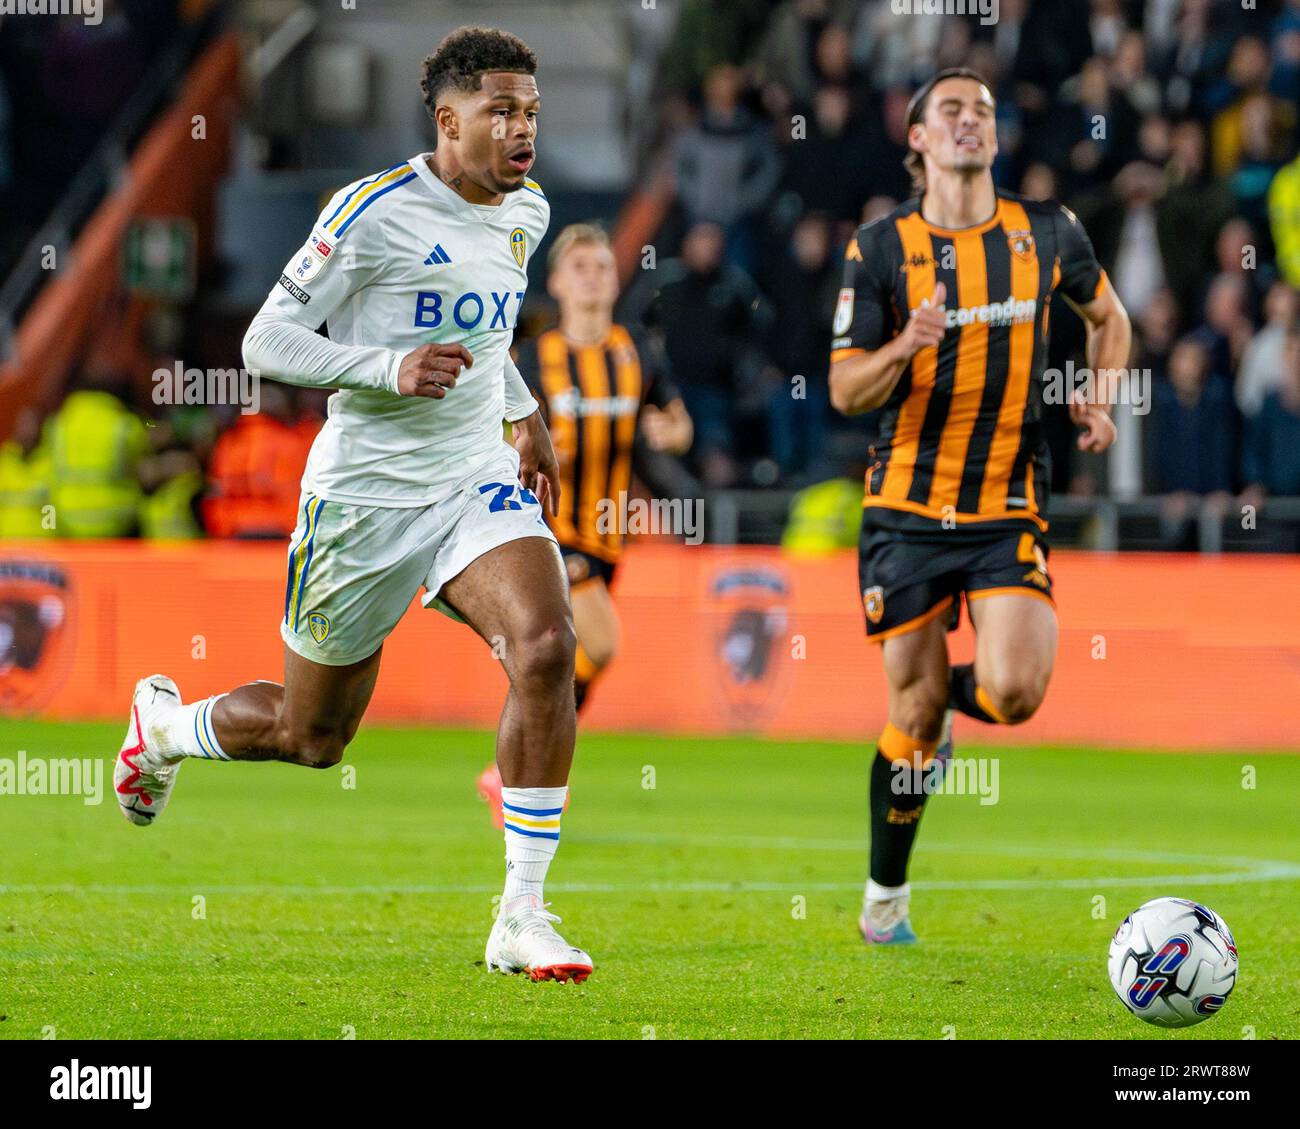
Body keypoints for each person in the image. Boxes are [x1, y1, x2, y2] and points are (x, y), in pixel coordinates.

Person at [113, 26, 594, 984]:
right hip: (364, 498)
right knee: (311, 735)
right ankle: (162, 732)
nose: (522, 129)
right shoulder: (371, 211)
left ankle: (522, 914)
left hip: (470, 481)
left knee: (544, 647)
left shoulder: (528, 211)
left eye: (532, 111)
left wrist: (524, 410)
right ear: (448, 119)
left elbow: (486, 329)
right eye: (502, 111)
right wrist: (386, 366)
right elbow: (264, 342)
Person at [828, 68, 1130, 944]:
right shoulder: (880, 249)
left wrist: (1099, 394)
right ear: (918, 139)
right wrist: (902, 347)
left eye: (985, 111)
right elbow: (846, 388)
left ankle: (948, 701)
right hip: (905, 509)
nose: (972, 121)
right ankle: (885, 899)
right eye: (951, 110)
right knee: (912, 718)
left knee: (1016, 689)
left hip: (1007, 502)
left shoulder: (1047, 230)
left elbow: (1110, 319)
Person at [476, 224, 692, 825]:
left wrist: (667, 431)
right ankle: (526, 762)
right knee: (601, 642)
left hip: (610, 532)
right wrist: (527, 448)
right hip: (549, 528)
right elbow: (488, 428)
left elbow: (679, 422)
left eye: (602, 265)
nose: (593, 275)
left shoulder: (637, 351)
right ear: (557, 284)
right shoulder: (534, 359)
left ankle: (515, 765)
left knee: (563, 661)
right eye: (580, 267)